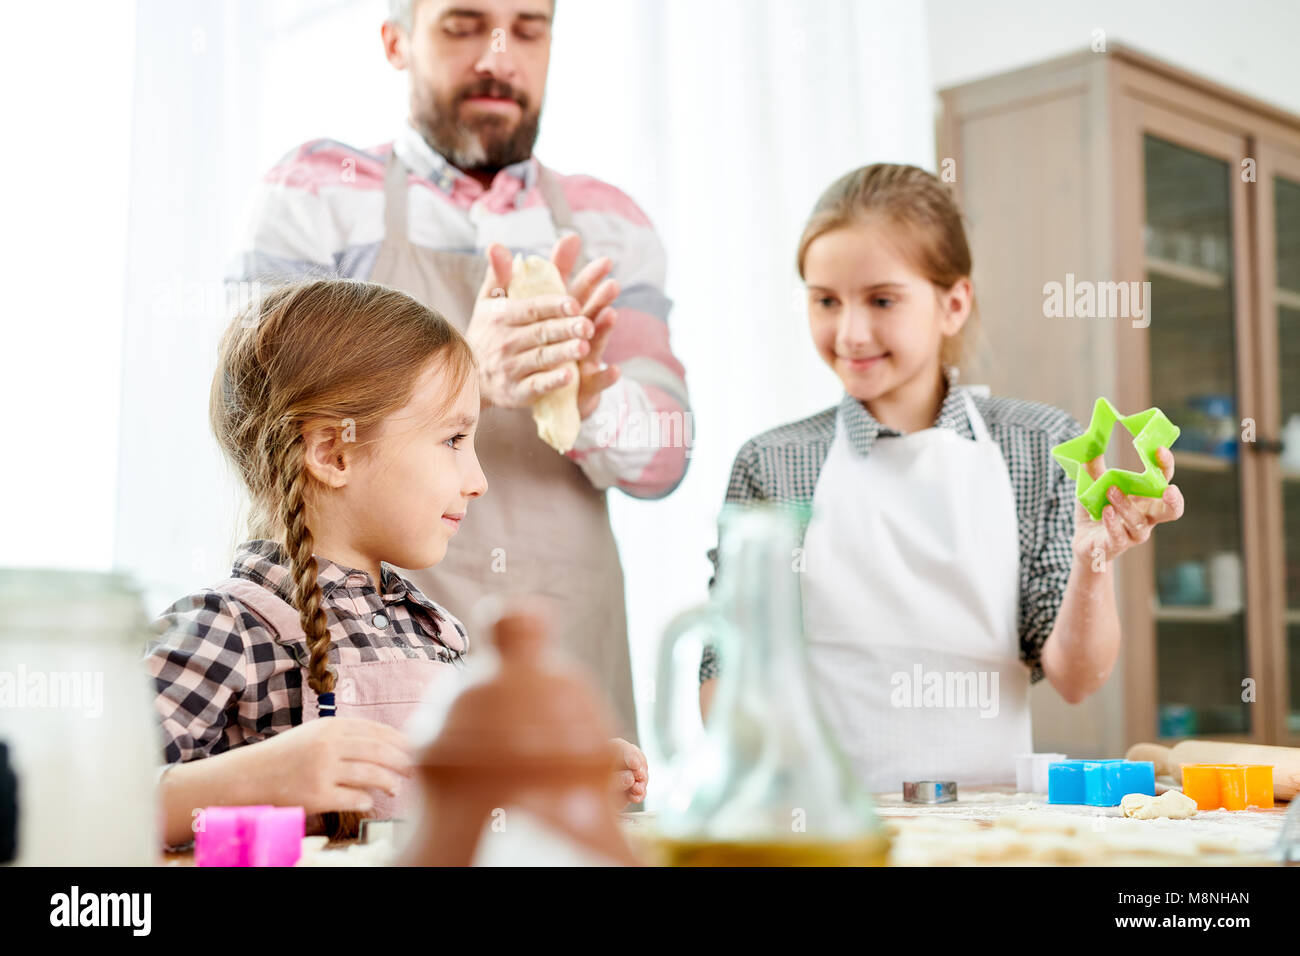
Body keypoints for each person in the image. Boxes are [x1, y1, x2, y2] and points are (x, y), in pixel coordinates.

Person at [228, 0, 691, 745]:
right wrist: (467, 372)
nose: (498, 57)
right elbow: (257, 415)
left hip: (567, 646)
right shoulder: (315, 192)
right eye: (463, 24)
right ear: (396, 42)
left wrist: (578, 398)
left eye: (528, 29)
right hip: (356, 648)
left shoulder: (613, 223)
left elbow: (668, 456)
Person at [698, 164, 1185, 791]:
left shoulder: (1039, 444)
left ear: (953, 304)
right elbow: (731, 667)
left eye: (881, 300)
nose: (849, 332)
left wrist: (1093, 562)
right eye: (825, 300)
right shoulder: (773, 461)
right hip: (827, 828)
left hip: (994, 830)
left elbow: (1076, 677)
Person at [147, 280, 647, 849]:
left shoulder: (432, 630)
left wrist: (546, 780)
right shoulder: (226, 628)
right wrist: (255, 779)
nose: (478, 481)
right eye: (454, 439)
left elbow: (457, 817)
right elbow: (97, 802)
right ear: (334, 453)